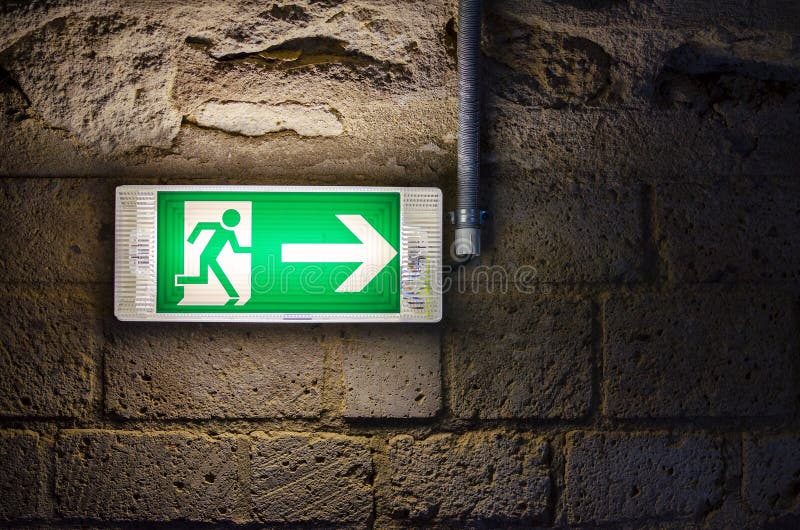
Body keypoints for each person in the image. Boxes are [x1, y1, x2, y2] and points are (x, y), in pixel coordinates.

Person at [176, 208, 250, 302]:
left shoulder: (230, 233)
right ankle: (233, 294)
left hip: (209, 256)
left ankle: (180, 280)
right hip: (207, 256)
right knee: (215, 275)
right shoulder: (218, 226)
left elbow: (236, 249)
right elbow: (201, 225)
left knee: (202, 278)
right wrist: (191, 239)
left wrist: (251, 249)